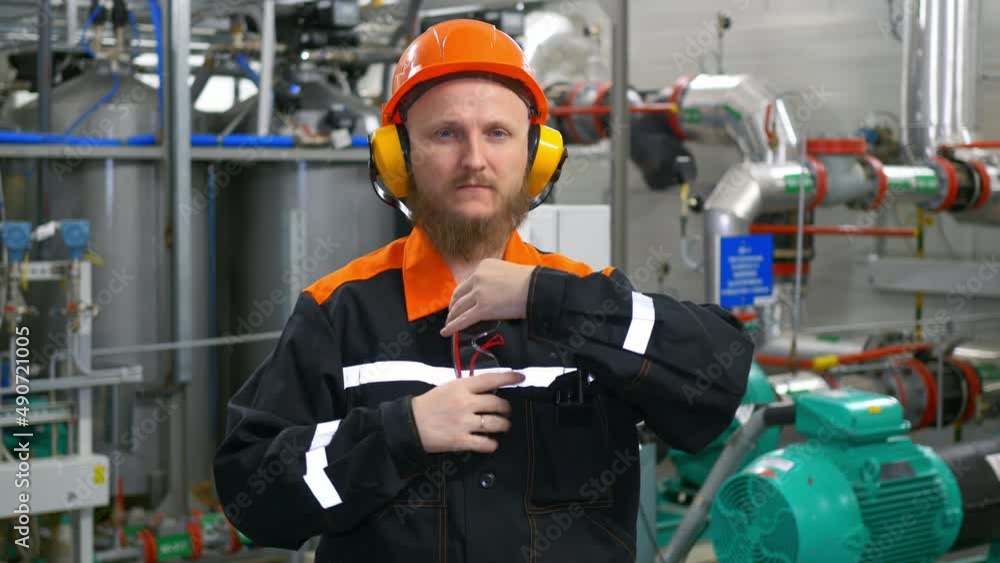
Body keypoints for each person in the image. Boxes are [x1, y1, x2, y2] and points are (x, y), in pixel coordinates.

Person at [212, 18, 753, 563]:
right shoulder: (340, 312)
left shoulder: (590, 301)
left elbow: (720, 378)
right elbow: (252, 495)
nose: (474, 159)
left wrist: (548, 300)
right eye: (445, 133)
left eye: (497, 133)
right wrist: (400, 433)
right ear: (399, 158)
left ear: (536, 157)